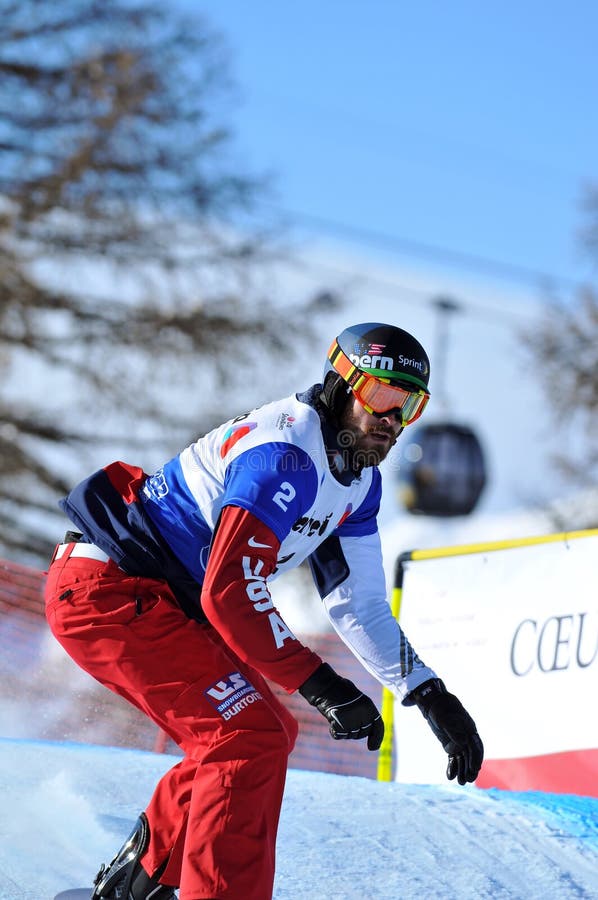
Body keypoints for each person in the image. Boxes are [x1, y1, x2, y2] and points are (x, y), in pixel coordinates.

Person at [45, 321, 484, 900]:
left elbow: (359, 603)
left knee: (265, 732)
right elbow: (229, 591)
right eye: (380, 396)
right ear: (340, 384)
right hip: (109, 590)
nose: (391, 420)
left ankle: (138, 884)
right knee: (244, 733)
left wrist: (429, 694)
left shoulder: (357, 483)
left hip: (163, 602)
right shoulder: (286, 457)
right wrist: (323, 685)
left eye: (409, 406)